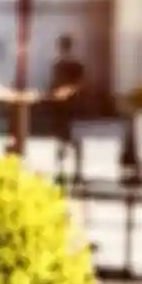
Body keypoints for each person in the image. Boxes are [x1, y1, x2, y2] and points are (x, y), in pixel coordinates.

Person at [49, 34, 86, 183]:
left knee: (74, 140)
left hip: (73, 107)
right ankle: (62, 171)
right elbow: (54, 83)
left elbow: (80, 84)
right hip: (61, 108)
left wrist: (67, 91)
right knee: (61, 140)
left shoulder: (75, 65)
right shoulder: (58, 65)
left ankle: (76, 172)